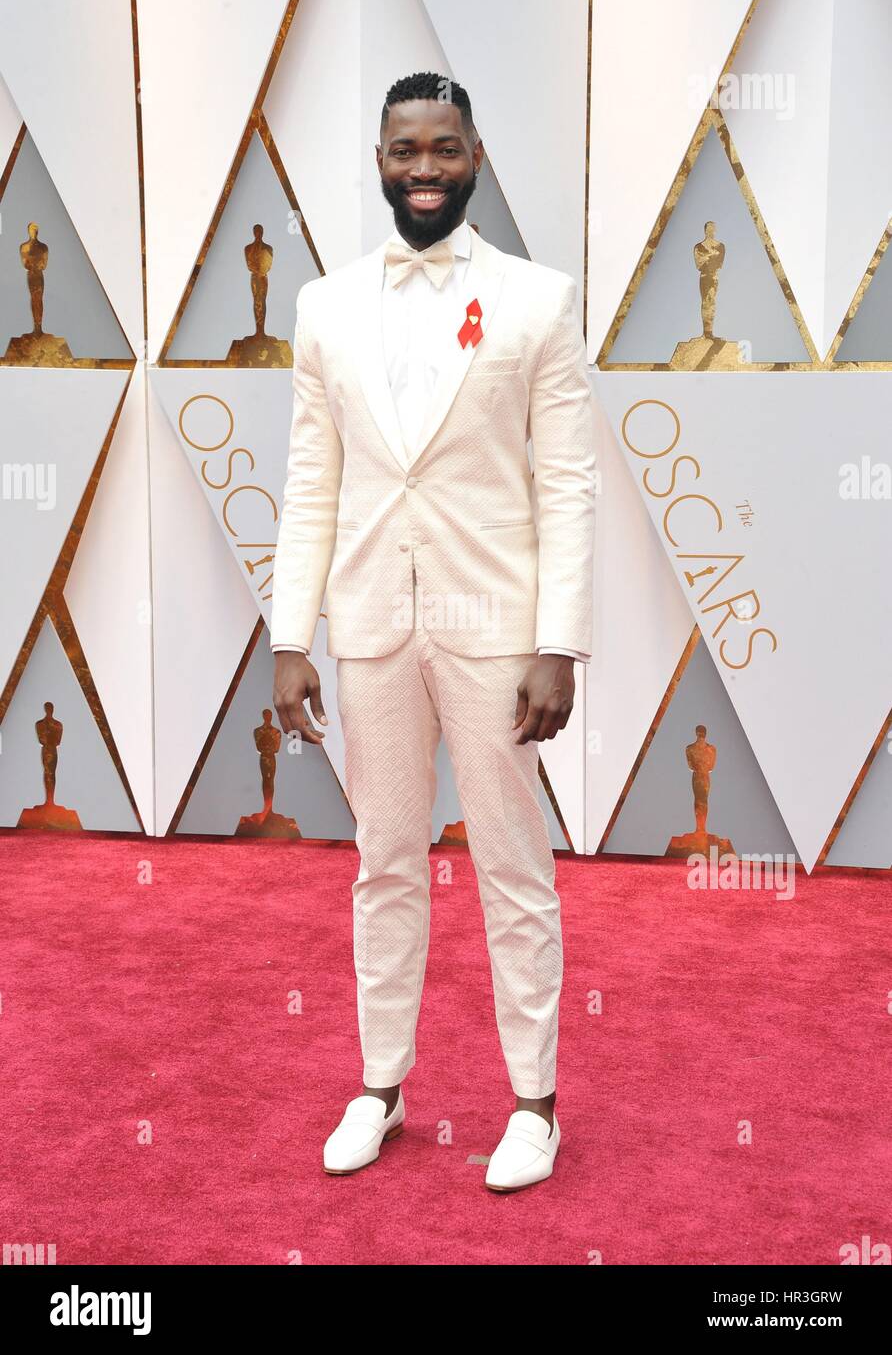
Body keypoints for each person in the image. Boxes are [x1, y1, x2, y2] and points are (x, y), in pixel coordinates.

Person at [270, 71, 597, 1191]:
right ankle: (380, 1084)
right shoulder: (323, 306)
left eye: (444, 149)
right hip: (369, 625)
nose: (423, 167)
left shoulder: (538, 300)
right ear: (377, 159)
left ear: (474, 156)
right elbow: (312, 480)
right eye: (404, 148)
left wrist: (558, 641)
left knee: (513, 864)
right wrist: (287, 633)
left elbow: (567, 483)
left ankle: (533, 1105)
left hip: (496, 628)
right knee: (383, 861)